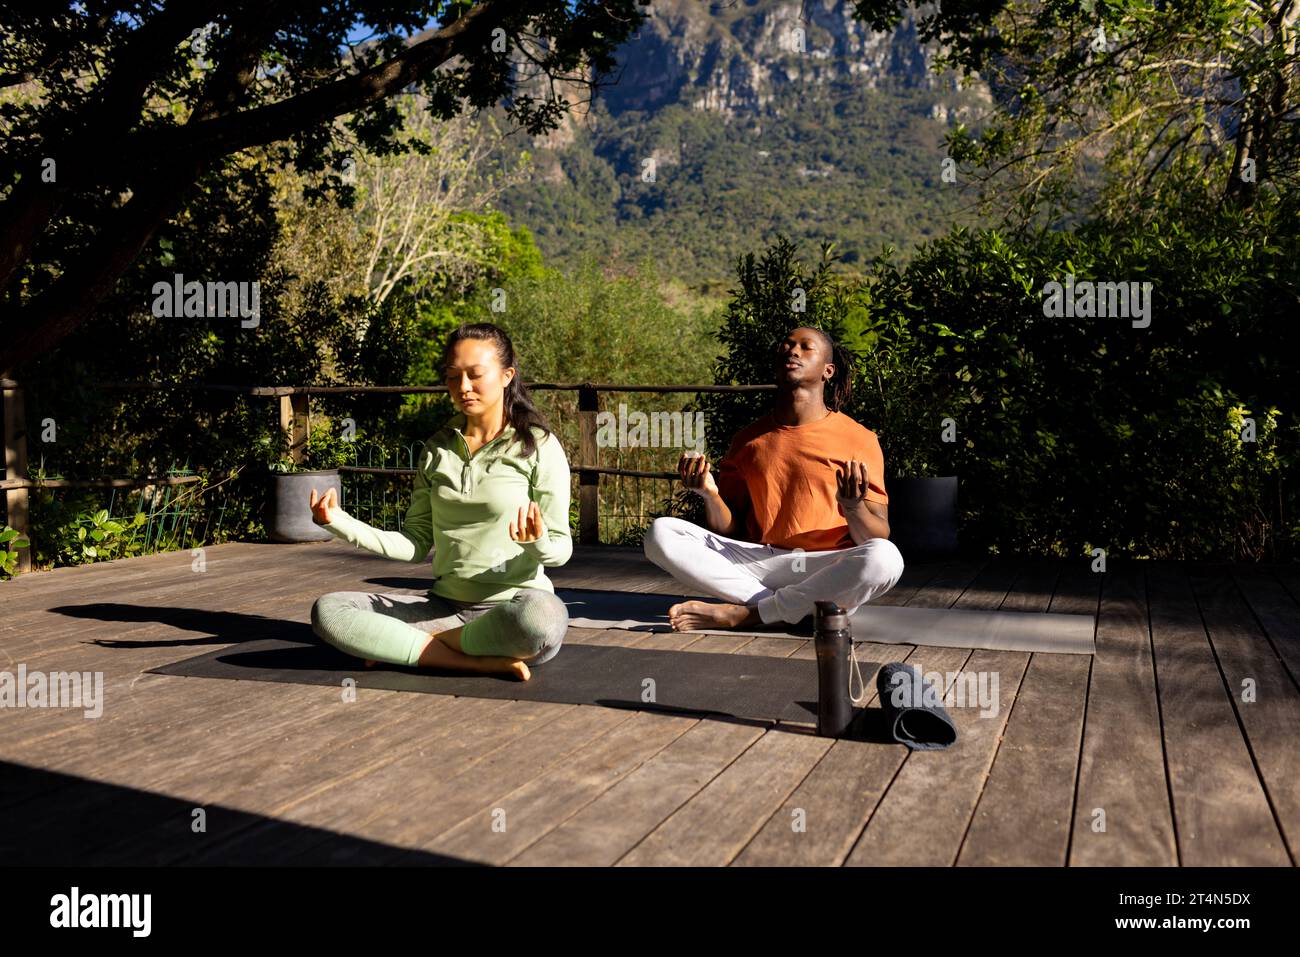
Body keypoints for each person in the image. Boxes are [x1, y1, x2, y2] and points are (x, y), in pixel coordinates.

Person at [308, 322, 572, 681]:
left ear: (507, 375)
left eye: (476, 375)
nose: (463, 387)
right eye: (453, 377)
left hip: (513, 611)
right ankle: (472, 660)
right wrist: (339, 522)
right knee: (330, 611)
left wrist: (536, 542)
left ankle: (409, 647)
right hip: (444, 609)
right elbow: (415, 545)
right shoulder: (436, 450)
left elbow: (560, 550)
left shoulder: (538, 446)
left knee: (541, 619)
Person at [643, 325, 904, 632]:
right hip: (761, 564)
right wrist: (710, 495)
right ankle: (791, 608)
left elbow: (875, 536)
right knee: (661, 533)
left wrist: (853, 506)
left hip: (829, 565)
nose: (792, 351)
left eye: (806, 347)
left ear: (828, 371)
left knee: (886, 558)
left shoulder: (859, 439)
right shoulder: (748, 440)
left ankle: (748, 615)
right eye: (787, 346)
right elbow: (732, 528)